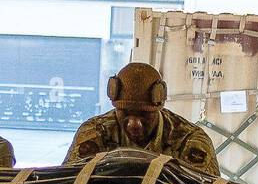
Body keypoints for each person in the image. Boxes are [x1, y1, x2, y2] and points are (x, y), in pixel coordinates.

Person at [64, 63, 218, 175]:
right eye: (125, 113)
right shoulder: (94, 133)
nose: (134, 124)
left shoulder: (188, 140)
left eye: (144, 114)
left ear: (159, 108)